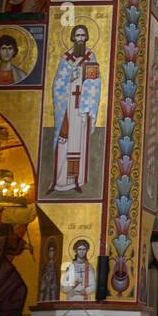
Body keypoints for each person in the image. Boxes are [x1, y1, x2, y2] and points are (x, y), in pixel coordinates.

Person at [48, 24, 101, 193]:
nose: (80, 38)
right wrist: (71, 79)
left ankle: (76, 180)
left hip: (82, 108)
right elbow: (58, 83)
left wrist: (84, 89)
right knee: (65, 141)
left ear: (86, 38)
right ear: (72, 38)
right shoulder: (66, 58)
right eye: (77, 35)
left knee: (79, 144)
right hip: (67, 107)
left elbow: (95, 83)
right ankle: (60, 180)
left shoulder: (90, 57)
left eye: (83, 35)